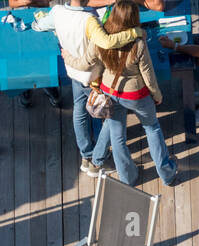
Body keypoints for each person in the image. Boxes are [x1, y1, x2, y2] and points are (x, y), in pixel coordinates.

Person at [85, 1, 178, 187]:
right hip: (136, 95)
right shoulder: (138, 43)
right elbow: (148, 75)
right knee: (152, 129)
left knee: (117, 136)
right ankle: (167, 174)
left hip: (110, 92)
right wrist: (157, 95)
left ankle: (128, 177)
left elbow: (89, 62)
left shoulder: (102, 38)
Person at [49, 0, 147, 173]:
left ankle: (86, 155)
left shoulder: (56, 11)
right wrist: (135, 32)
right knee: (113, 115)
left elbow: (45, 25)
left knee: (79, 112)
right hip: (93, 77)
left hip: (74, 72)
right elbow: (107, 42)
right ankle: (98, 161)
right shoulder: (89, 20)